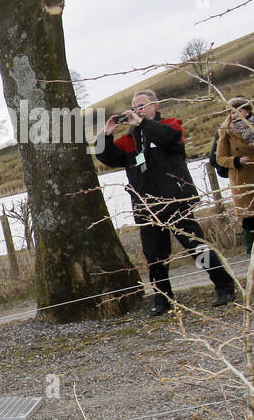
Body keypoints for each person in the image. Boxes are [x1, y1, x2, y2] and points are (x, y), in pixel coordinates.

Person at [96, 89, 235, 315]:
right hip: (146, 205)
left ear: (155, 106)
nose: (137, 109)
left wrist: (142, 123)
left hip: (174, 200)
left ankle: (224, 286)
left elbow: (170, 139)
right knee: (154, 256)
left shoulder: (169, 125)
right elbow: (106, 157)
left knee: (195, 245)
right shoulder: (129, 139)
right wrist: (107, 133)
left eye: (142, 105)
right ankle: (163, 300)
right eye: (135, 106)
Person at [214, 96, 254, 255]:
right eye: (231, 112)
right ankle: (251, 255)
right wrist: (236, 160)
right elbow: (220, 159)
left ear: (248, 111)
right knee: (250, 219)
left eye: (238, 111)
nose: (234, 115)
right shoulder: (226, 131)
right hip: (243, 180)